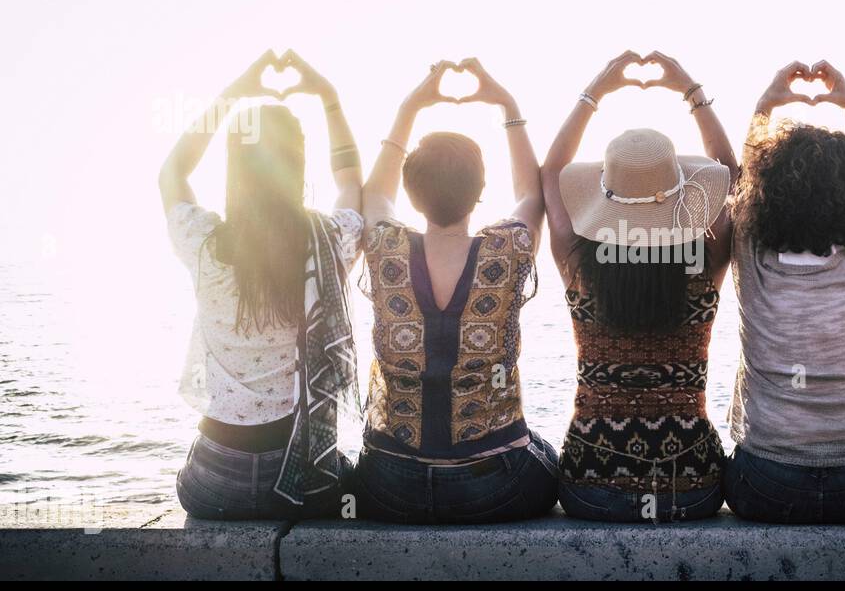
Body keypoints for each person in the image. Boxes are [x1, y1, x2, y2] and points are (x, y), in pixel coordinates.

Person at [159, 49, 363, 520]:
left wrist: (234, 94)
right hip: (299, 476)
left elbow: (172, 172)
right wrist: (329, 98)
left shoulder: (204, 242)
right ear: (298, 165)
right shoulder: (327, 243)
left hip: (215, 481)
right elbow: (351, 180)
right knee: (356, 476)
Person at [355, 58, 558, 524]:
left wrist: (410, 108)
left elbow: (374, 194)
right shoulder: (507, 250)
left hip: (390, 485)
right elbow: (533, 192)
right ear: (481, 189)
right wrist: (506, 104)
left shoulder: (385, 249)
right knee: (545, 452)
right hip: (495, 486)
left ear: (411, 191)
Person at [541, 51, 735, 522]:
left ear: (605, 196)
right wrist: (691, 90)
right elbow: (731, 171)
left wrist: (595, 92)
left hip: (589, 486)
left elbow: (551, 172)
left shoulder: (578, 267)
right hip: (691, 487)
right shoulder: (703, 265)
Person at [724, 61, 845, 523]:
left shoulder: (754, 253)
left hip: (767, 480)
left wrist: (766, 105)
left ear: (767, 193)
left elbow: (743, 181)